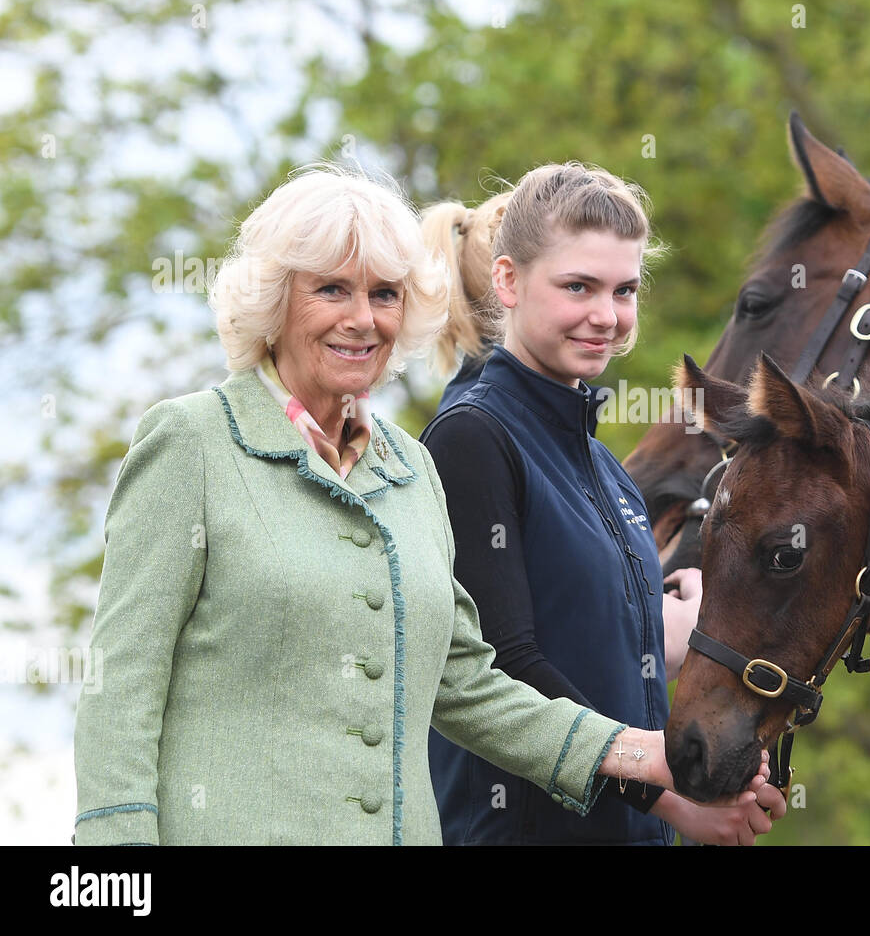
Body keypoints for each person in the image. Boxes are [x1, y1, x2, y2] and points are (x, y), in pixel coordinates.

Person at [70, 164, 766, 845]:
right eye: (332, 289)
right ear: (275, 299)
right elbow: (122, 680)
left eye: (385, 294)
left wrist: (647, 755)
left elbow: (468, 682)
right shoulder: (192, 441)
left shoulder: (412, 470)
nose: (361, 318)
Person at [420, 163, 787, 845]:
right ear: (508, 281)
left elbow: (591, 648)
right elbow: (504, 670)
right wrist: (668, 796)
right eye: (578, 286)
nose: (606, 316)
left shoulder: (607, 470)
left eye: (623, 290)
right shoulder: (470, 437)